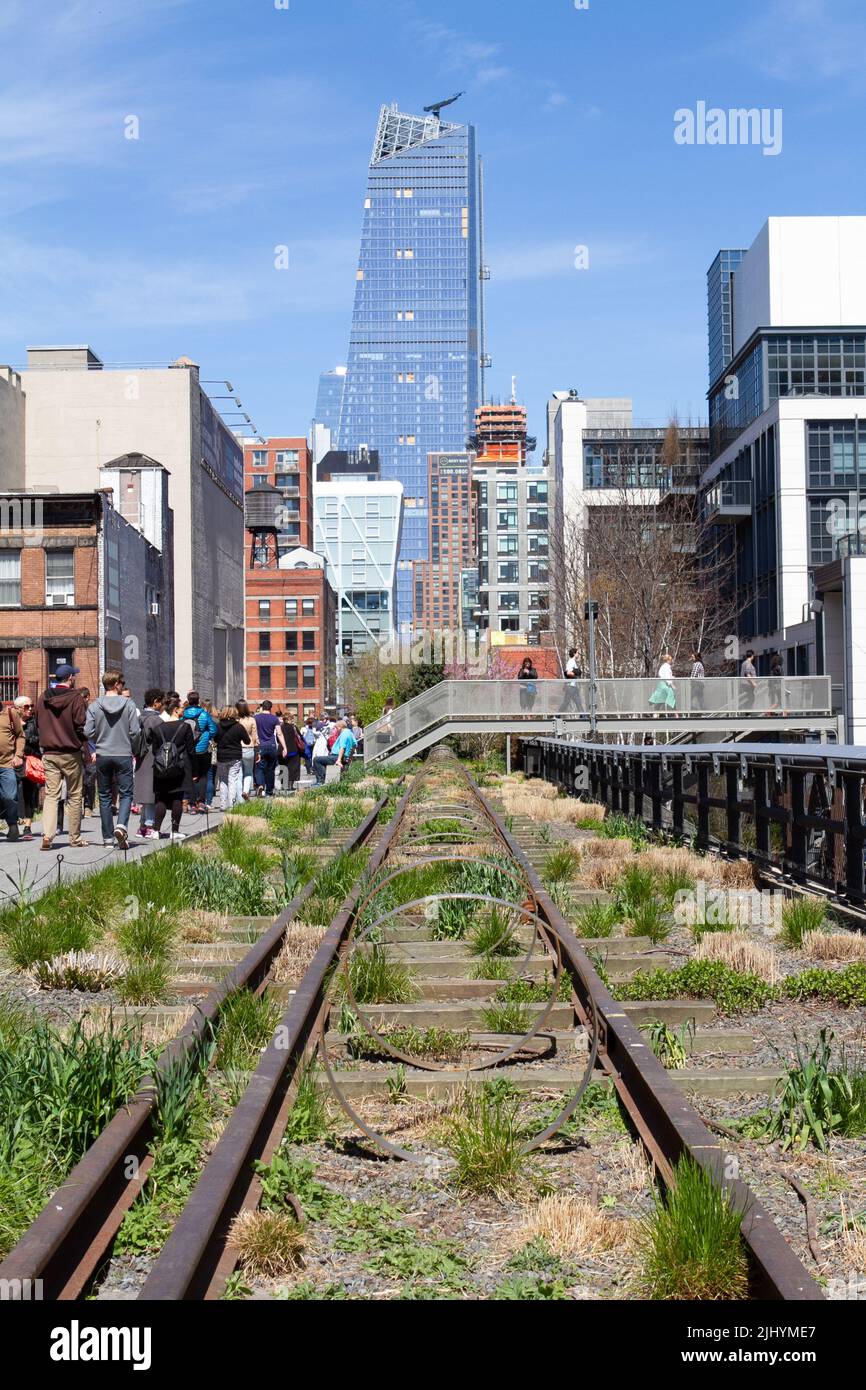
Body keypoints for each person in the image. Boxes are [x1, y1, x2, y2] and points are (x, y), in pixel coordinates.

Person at [84, 670, 142, 850]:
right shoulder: (129, 704)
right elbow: (135, 731)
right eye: (122, 683)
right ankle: (121, 825)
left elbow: (87, 732)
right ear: (117, 684)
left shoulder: (94, 706)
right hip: (123, 753)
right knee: (126, 793)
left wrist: (99, 736)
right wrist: (134, 747)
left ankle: (107, 838)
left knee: (104, 796)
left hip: (103, 754)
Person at [36, 662, 91, 849]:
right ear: (70, 678)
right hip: (70, 752)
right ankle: (74, 838)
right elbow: (80, 725)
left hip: (49, 752)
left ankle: (47, 836)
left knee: (51, 795)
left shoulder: (43, 697)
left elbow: (37, 721)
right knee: (75, 795)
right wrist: (86, 746)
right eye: (73, 676)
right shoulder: (75, 697)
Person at [151, 695, 196, 841]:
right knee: (177, 797)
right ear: (175, 710)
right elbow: (190, 750)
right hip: (180, 767)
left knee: (161, 798)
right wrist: (194, 770)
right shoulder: (185, 727)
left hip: (161, 768)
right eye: (181, 708)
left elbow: (155, 750)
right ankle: (174, 830)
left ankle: (156, 830)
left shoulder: (158, 729)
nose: (183, 710)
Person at [133, 688, 165, 839]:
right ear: (155, 702)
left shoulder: (138, 718)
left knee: (144, 793)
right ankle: (150, 826)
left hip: (140, 757)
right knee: (151, 794)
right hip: (153, 758)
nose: (163, 705)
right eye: (161, 702)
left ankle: (142, 826)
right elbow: (163, 741)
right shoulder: (156, 720)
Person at [183, 691, 218, 811]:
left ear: (188, 700)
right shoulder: (204, 714)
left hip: (189, 749)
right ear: (198, 701)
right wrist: (206, 736)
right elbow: (213, 729)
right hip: (202, 749)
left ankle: (192, 804)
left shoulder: (183, 714)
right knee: (203, 776)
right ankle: (201, 802)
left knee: (191, 776)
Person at [13, 695, 41, 841]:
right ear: (17, 708)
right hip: (13, 763)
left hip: (30, 762)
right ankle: (13, 824)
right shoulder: (10, 722)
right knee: (12, 794)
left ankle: (28, 826)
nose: (30, 709)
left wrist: (24, 737)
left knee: (29, 793)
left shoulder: (35, 722)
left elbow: (40, 739)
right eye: (26, 707)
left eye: (31, 706)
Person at [215, 705, 250, 810]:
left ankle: (222, 804)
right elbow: (247, 741)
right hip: (235, 756)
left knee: (223, 780)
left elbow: (215, 739)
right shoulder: (238, 726)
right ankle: (231, 804)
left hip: (221, 756)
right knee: (232, 780)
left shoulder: (218, 726)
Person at [0, 700, 24, 842]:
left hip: (6, 763)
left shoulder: (10, 713)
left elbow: (21, 735)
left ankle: (12, 824)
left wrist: (18, 755)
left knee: (10, 796)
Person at [254, 700, 287, 797]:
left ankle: (260, 785)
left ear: (262, 707)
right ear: (270, 708)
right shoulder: (274, 719)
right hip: (272, 745)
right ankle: (269, 791)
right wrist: (284, 747)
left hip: (260, 745)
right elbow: (279, 733)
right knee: (270, 769)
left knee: (259, 767)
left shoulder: (256, 718)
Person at [313, 718, 356, 785]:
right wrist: (350, 755)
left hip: (337, 757)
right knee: (322, 760)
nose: (335, 730)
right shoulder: (350, 733)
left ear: (340, 727)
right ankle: (323, 779)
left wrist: (338, 760)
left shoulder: (344, 734)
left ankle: (320, 781)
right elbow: (355, 744)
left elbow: (342, 747)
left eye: (336, 728)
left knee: (316, 760)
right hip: (344, 757)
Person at [236, 699, 259, 799]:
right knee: (248, 772)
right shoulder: (251, 720)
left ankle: (239, 794)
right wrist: (257, 751)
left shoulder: (236, 720)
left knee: (239, 773)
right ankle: (245, 791)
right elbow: (255, 736)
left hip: (237, 747)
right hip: (249, 747)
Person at [280, 715, 303, 792]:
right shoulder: (293, 727)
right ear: (290, 719)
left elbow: (277, 738)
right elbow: (299, 737)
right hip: (293, 749)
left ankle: (284, 785)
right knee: (293, 767)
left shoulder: (280, 727)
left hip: (282, 750)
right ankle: (290, 785)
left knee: (283, 767)